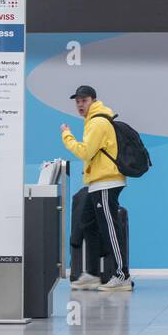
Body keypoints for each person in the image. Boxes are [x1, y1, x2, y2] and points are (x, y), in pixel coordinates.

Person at [61, 85, 132, 292]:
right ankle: (92, 274)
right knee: (87, 224)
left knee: (110, 228)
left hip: (106, 182)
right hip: (96, 182)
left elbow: (85, 152)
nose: (80, 104)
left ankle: (122, 276)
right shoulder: (93, 121)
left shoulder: (98, 121)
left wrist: (67, 136)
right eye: (77, 101)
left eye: (84, 100)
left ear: (93, 100)